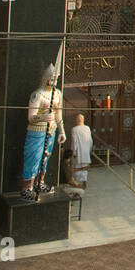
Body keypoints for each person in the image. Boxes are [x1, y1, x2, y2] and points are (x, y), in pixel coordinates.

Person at [21, 63, 65, 200]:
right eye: (51, 79)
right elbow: (31, 117)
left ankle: (40, 183)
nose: (53, 82)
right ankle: (26, 188)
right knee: (33, 159)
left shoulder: (57, 94)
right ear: (45, 78)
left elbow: (59, 115)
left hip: (51, 130)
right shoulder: (37, 95)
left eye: (55, 79)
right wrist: (43, 117)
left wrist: (62, 131)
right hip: (37, 131)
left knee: (45, 157)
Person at [70, 113, 93, 188]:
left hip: (78, 153)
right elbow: (90, 141)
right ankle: (84, 183)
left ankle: (77, 184)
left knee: (77, 168)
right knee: (84, 169)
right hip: (86, 152)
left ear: (77, 120)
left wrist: (73, 152)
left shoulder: (75, 129)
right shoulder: (87, 128)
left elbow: (74, 142)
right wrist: (89, 150)